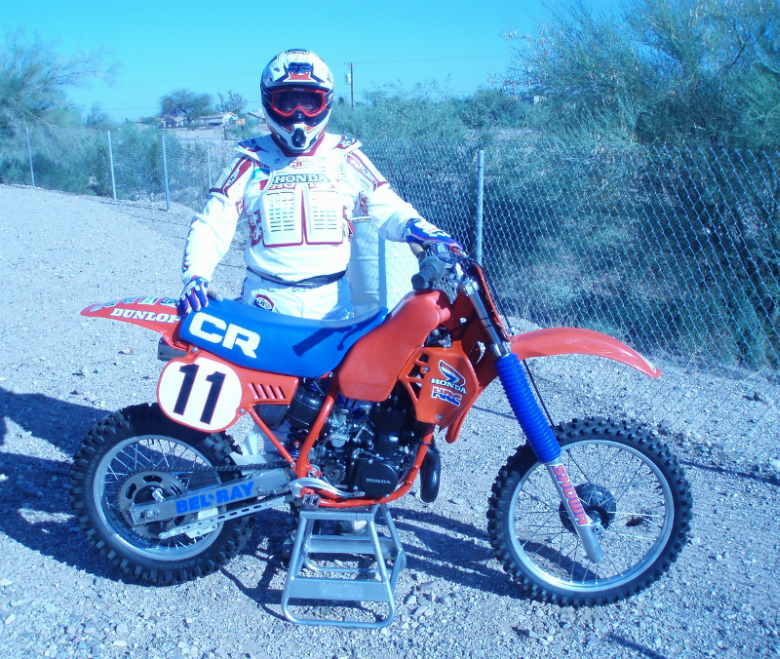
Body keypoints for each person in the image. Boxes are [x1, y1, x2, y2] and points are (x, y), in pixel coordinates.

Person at [178, 48, 462, 319]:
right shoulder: (249, 159)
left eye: (309, 101)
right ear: (269, 102)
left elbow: (389, 208)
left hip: (332, 304)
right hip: (265, 303)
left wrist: (427, 233)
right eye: (287, 101)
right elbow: (213, 222)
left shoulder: (345, 155)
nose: (298, 113)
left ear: (325, 101)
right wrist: (196, 275)